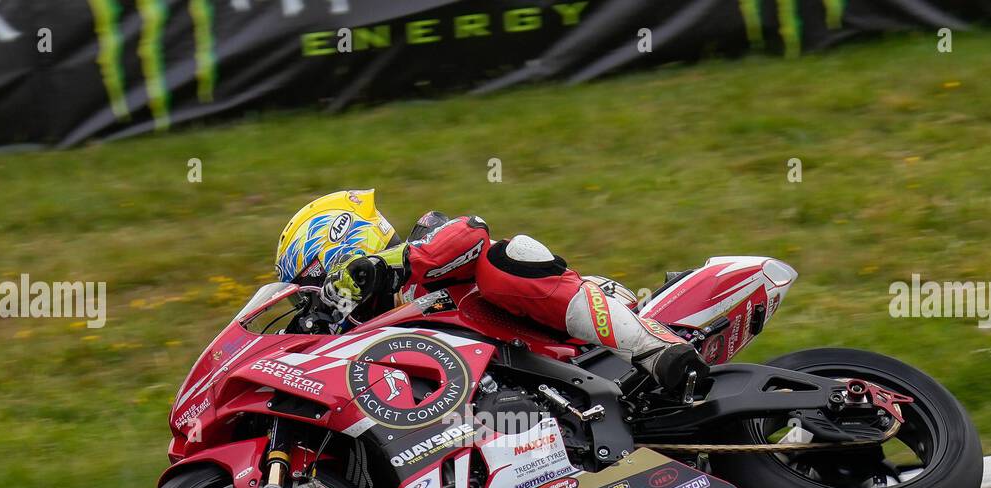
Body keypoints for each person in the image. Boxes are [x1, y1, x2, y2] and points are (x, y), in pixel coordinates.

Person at [274, 189, 707, 396]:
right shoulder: (358, 332)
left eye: (312, 287)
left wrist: (386, 265)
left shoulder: (422, 248)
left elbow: (471, 229)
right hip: (506, 396)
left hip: (567, 340)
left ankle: (653, 348)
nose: (318, 300)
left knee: (505, 256)